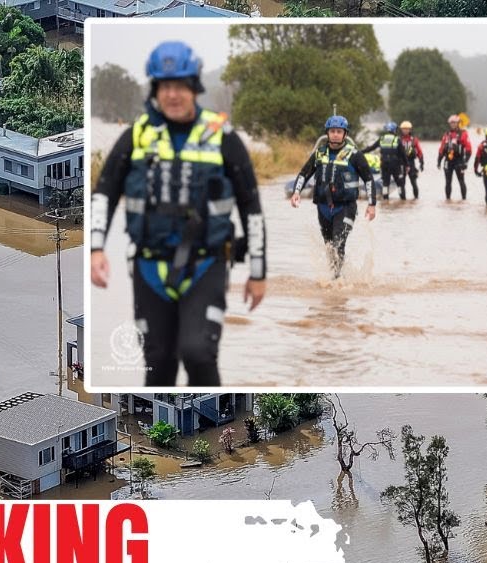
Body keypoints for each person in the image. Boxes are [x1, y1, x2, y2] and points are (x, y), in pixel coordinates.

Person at [89, 40, 266, 387]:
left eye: (180, 86)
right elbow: (105, 192)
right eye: (165, 86)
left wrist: (258, 272)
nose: (173, 95)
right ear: (155, 89)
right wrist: (96, 248)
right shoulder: (136, 136)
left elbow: (252, 207)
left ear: (194, 87)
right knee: (158, 362)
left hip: (206, 265)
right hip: (149, 266)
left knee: (198, 353)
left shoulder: (223, 138)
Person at [290, 115, 377, 279]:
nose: (335, 134)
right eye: (332, 131)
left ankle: (337, 281)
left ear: (345, 134)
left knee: (338, 243)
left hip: (346, 208)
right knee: (329, 246)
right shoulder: (319, 154)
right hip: (323, 208)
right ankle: (336, 278)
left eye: (339, 131)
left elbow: (369, 179)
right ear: (327, 133)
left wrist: (371, 204)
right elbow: (304, 173)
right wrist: (296, 192)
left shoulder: (355, 155)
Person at [361, 121, 404, 200]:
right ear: (394, 130)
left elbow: (371, 148)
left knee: (385, 183)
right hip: (395, 165)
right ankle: (402, 198)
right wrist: (406, 164)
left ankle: (385, 200)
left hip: (384, 164)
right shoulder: (397, 139)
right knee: (399, 182)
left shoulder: (382, 138)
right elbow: (403, 154)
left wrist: (360, 152)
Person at [437, 114, 472, 200]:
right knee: (448, 182)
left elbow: (469, 149)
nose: (453, 124)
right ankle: (448, 200)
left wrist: (465, 161)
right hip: (448, 161)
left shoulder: (463, 134)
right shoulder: (446, 134)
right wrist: (439, 161)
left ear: (458, 123)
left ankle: (464, 200)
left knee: (461, 181)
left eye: (454, 123)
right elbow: (442, 148)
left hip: (459, 161)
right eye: (451, 123)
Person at [396, 120, 424, 200]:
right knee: (401, 183)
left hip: (411, 163)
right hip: (401, 164)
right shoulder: (398, 139)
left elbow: (419, 151)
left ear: (410, 129)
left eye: (407, 129)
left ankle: (416, 199)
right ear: (401, 129)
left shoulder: (414, 140)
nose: (405, 130)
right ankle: (403, 201)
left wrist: (421, 162)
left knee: (414, 183)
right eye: (404, 129)